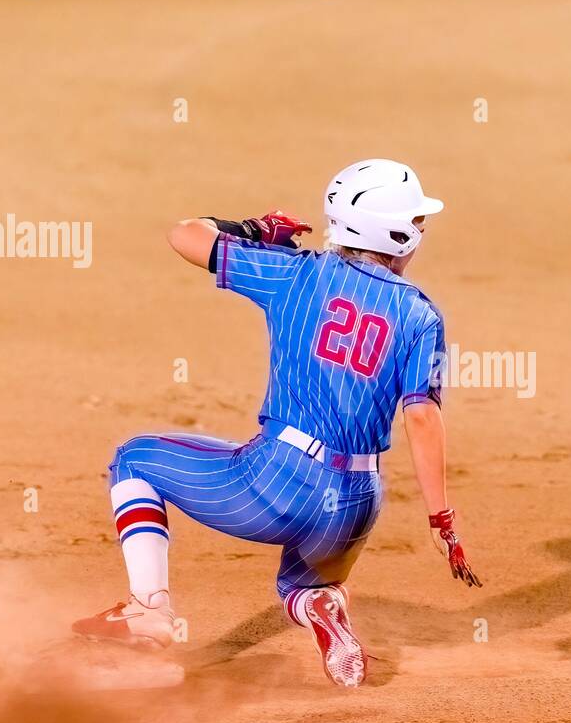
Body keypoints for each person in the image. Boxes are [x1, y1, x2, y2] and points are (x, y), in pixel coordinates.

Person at [72, 159, 481, 687]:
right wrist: (441, 520)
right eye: (417, 222)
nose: (421, 231)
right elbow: (421, 416)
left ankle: (149, 609)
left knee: (134, 458)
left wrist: (254, 230)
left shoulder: (293, 272)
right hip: (356, 504)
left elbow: (184, 235)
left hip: (275, 484)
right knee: (301, 587)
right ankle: (319, 606)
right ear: (397, 233)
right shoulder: (421, 314)